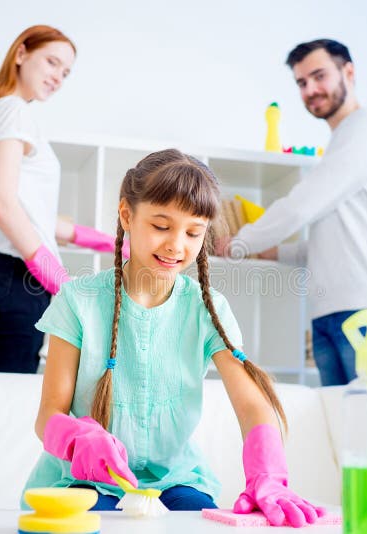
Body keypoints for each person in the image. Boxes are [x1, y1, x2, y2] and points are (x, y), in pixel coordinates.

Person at [22, 149, 325, 527]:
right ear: (127, 216)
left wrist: (268, 475)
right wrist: (76, 439)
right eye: (162, 226)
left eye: (193, 232)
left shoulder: (207, 309)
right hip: (81, 479)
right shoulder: (77, 301)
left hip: (174, 479)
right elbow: (48, 414)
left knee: (197, 523)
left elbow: (252, 406)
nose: (176, 245)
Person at [218, 39, 367, 386]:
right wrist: (273, 251)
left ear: (348, 72)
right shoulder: (342, 142)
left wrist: (240, 242)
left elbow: (301, 205)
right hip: (331, 312)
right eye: (302, 83)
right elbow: (330, 239)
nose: (310, 89)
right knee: (340, 432)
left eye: (319, 76)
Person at [0, 25, 126, 374]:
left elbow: (34, 215)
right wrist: (58, 280)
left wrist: (113, 244)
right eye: (51, 62)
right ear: (20, 54)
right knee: (5, 408)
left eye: (65, 72)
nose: (58, 77)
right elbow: (2, 205)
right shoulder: (14, 111)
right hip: (12, 281)